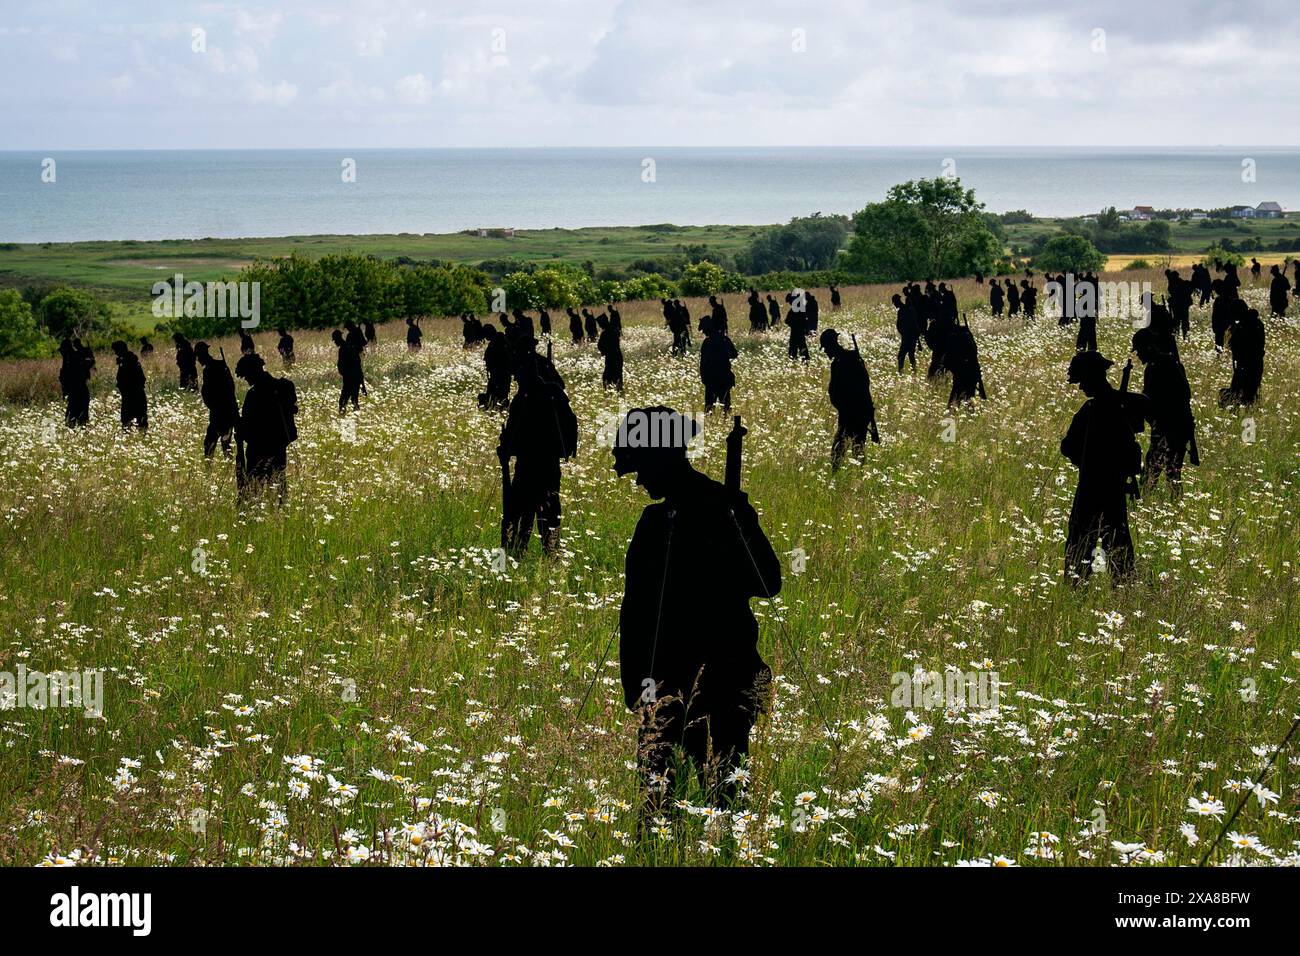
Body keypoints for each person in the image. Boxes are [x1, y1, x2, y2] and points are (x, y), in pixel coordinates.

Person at [611, 406, 781, 815]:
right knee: (720, 802)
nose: (639, 478)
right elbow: (637, 615)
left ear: (661, 456)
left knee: (665, 804)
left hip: (701, 680)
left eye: (642, 466)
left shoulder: (689, 517)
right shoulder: (712, 509)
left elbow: (767, 582)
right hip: (711, 680)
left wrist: (641, 689)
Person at [1060, 352, 1145, 585]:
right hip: (1114, 488)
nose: (1080, 387)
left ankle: (1077, 590)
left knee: (1080, 543)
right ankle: (1123, 588)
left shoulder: (1092, 410)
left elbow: (1067, 447)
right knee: (1117, 542)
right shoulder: (1123, 405)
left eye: (1082, 381)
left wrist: (1084, 460)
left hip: (1090, 487)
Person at [498, 346, 578, 556]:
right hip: (549, 465)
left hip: (529, 466)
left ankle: (517, 553)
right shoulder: (553, 394)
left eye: (518, 375)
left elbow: (514, 436)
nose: (515, 380)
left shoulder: (524, 399)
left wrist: (505, 449)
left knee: (520, 512)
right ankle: (549, 551)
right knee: (548, 511)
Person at [1131, 328, 1195, 494]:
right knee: (1171, 472)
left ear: (1148, 347)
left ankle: (1142, 502)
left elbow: (1153, 401)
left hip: (1168, 427)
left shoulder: (1156, 368)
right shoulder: (1170, 364)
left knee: (1155, 470)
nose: (1138, 355)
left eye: (1139, 350)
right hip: (1176, 426)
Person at [234, 353, 297, 505]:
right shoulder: (284, 387)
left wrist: (241, 429)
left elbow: (251, 422)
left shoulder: (255, 394)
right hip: (277, 446)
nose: (246, 380)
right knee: (278, 484)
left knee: (253, 488)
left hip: (260, 447)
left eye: (247, 375)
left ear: (254, 371)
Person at [820, 329, 878, 469]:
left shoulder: (845, 361)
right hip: (852, 412)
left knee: (841, 450)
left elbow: (862, 389)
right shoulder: (845, 360)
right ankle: (857, 477)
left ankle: (850, 479)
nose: (826, 352)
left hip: (853, 412)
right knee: (854, 449)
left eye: (826, 348)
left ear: (832, 345)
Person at [195, 342, 239, 459]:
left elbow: (211, 392)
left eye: (198, 356)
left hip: (220, 411)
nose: (198, 360)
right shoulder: (220, 366)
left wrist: (214, 406)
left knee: (210, 442)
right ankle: (227, 464)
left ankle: (210, 467)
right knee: (225, 441)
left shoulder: (211, 369)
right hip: (226, 410)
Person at [1219, 306, 1265, 407]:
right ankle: (1247, 412)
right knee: (1250, 392)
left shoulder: (1244, 325)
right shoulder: (1256, 323)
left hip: (1246, 364)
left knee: (1242, 391)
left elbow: (1240, 346)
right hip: (1255, 364)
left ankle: (1237, 412)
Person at [699, 316, 738, 412]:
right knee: (726, 407)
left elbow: (703, 363)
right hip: (723, 378)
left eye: (704, 329)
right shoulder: (724, 340)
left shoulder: (707, 342)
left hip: (712, 380)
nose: (703, 332)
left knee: (709, 407)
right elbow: (734, 354)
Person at [111, 340, 148, 431]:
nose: (115, 353)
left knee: (132, 420)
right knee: (134, 420)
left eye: (116, 350)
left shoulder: (128, 362)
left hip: (132, 395)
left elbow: (135, 379)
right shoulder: (128, 360)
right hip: (132, 395)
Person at [58, 337, 93, 427]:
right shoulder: (72, 359)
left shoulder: (74, 359)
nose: (61, 353)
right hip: (77, 392)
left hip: (78, 392)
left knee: (74, 419)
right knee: (76, 419)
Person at [477, 324, 512, 410]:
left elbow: (501, 359)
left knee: (499, 397)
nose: (485, 337)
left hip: (500, 375)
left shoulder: (499, 342)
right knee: (496, 396)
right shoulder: (498, 341)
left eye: (486, 334)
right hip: (497, 375)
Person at [332, 329, 365, 413]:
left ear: (338, 339)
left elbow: (355, 365)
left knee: (342, 402)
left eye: (335, 340)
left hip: (350, 379)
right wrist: (361, 381)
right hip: (354, 378)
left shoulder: (344, 349)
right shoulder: (350, 348)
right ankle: (357, 418)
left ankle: (343, 417)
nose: (335, 342)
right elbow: (358, 365)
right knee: (354, 400)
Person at [597, 312, 625, 392]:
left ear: (603, 323)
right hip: (617, 357)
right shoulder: (614, 330)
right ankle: (618, 393)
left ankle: (609, 394)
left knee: (607, 378)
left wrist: (603, 351)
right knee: (617, 376)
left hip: (611, 358)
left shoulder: (605, 333)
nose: (599, 326)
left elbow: (602, 345)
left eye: (600, 324)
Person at [893, 293, 920, 372]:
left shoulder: (902, 311)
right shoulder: (909, 310)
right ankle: (914, 372)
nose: (894, 304)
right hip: (911, 337)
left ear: (897, 301)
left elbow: (902, 326)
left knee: (901, 356)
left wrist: (904, 334)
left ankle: (900, 372)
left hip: (907, 337)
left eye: (894, 302)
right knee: (911, 355)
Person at [785, 294, 811, 362]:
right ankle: (805, 359)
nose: (790, 303)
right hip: (800, 331)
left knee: (794, 347)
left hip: (795, 332)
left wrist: (793, 325)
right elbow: (805, 321)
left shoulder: (794, 310)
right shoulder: (801, 310)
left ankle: (793, 359)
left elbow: (787, 321)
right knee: (802, 346)